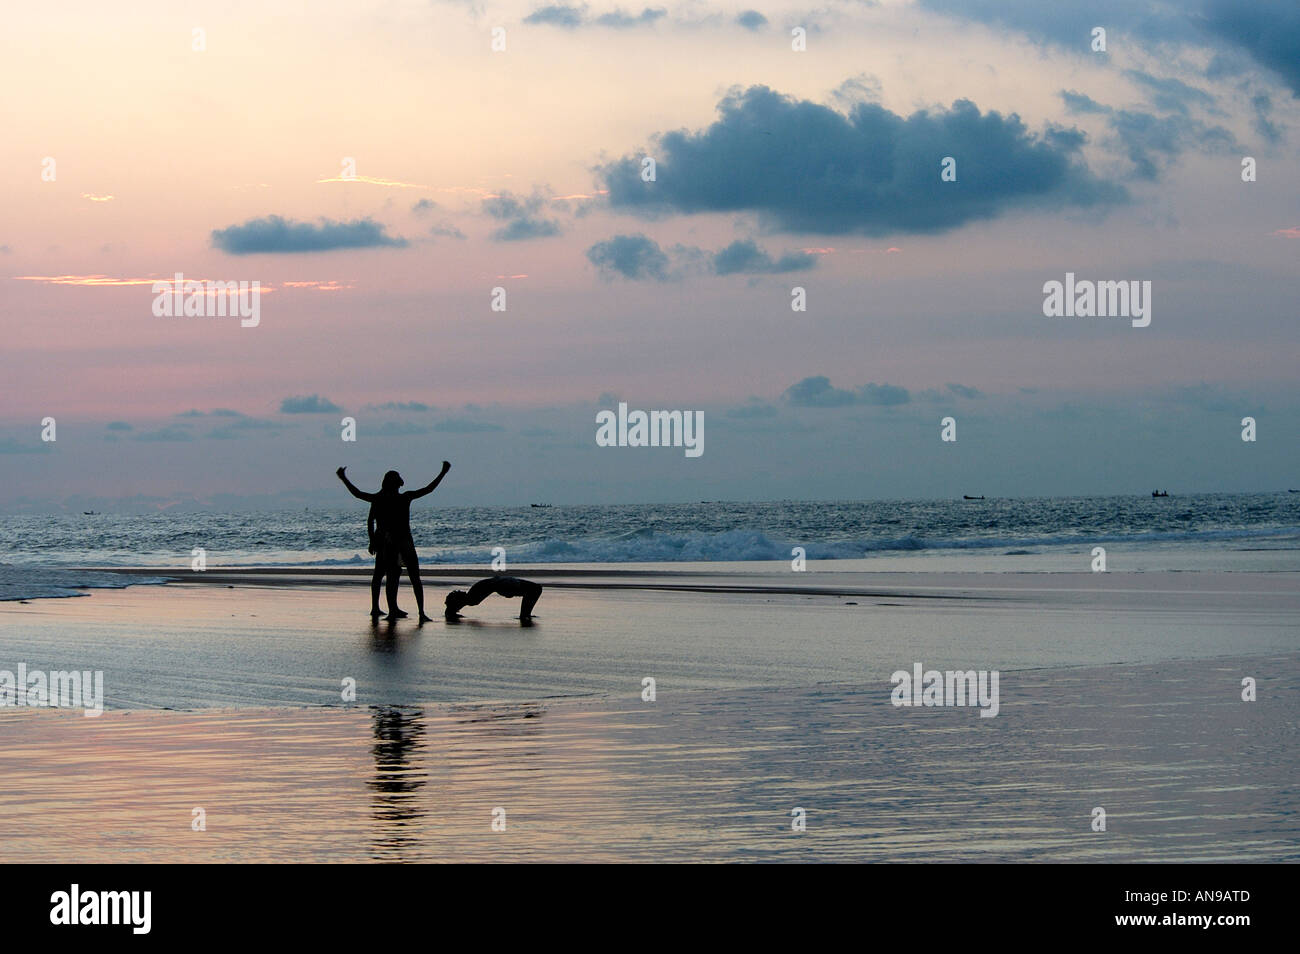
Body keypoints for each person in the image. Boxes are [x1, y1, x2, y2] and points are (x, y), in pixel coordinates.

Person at [337, 462, 451, 622]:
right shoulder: (404, 498)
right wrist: (443, 472)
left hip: (389, 543)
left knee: (391, 577)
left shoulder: (379, 499)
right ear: (398, 484)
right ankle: (419, 612)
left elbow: (358, 494)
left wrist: (344, 478)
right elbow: (428, 489)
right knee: (412, 577)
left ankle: (393, 611)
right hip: (401, 542)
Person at [445, 577, 542, 621]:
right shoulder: (471, 596)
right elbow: (490, 585)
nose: (459, 609)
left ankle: (524, 615)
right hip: (502, 582)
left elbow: (491, 585)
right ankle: (524, 615)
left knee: (535, 589)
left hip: (502, 583)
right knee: (535, 589)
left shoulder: (471, 598)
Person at [368, 501, 404, 619]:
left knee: (383, 573)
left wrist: (372, 540)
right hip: (386, 539)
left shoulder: (379, 499)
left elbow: (370, 521)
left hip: (385, 538)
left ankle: (383, 607)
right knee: (389, 573)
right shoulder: (382, 500)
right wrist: (372, 540)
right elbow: (370, 521)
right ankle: (388, 608)